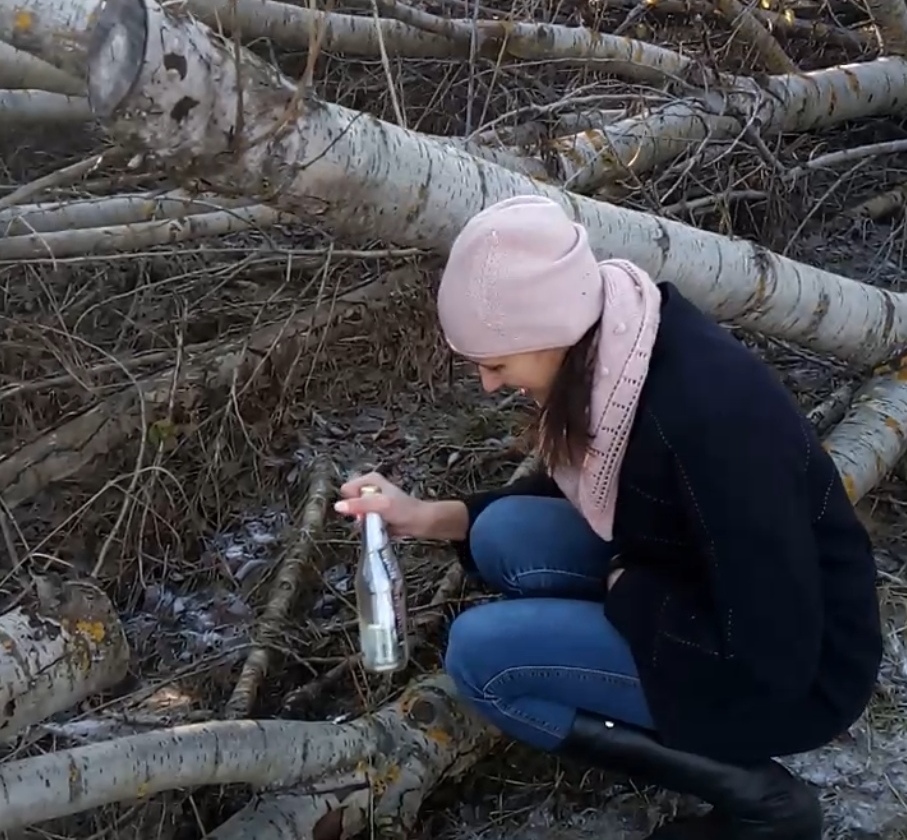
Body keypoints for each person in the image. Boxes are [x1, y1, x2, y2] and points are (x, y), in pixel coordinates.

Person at [334, 195, 883, 839]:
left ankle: (763, 804)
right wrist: (426, 517)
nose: (487, 384)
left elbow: (772, 645)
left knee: (484, 658)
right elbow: (605, 485)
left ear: (548, 331)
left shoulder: (706, 419)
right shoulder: (621, 345)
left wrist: (634, 597)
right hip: (696, 583)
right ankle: (617, 670)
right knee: (503, 533)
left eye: (495, 364)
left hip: (794, 670)